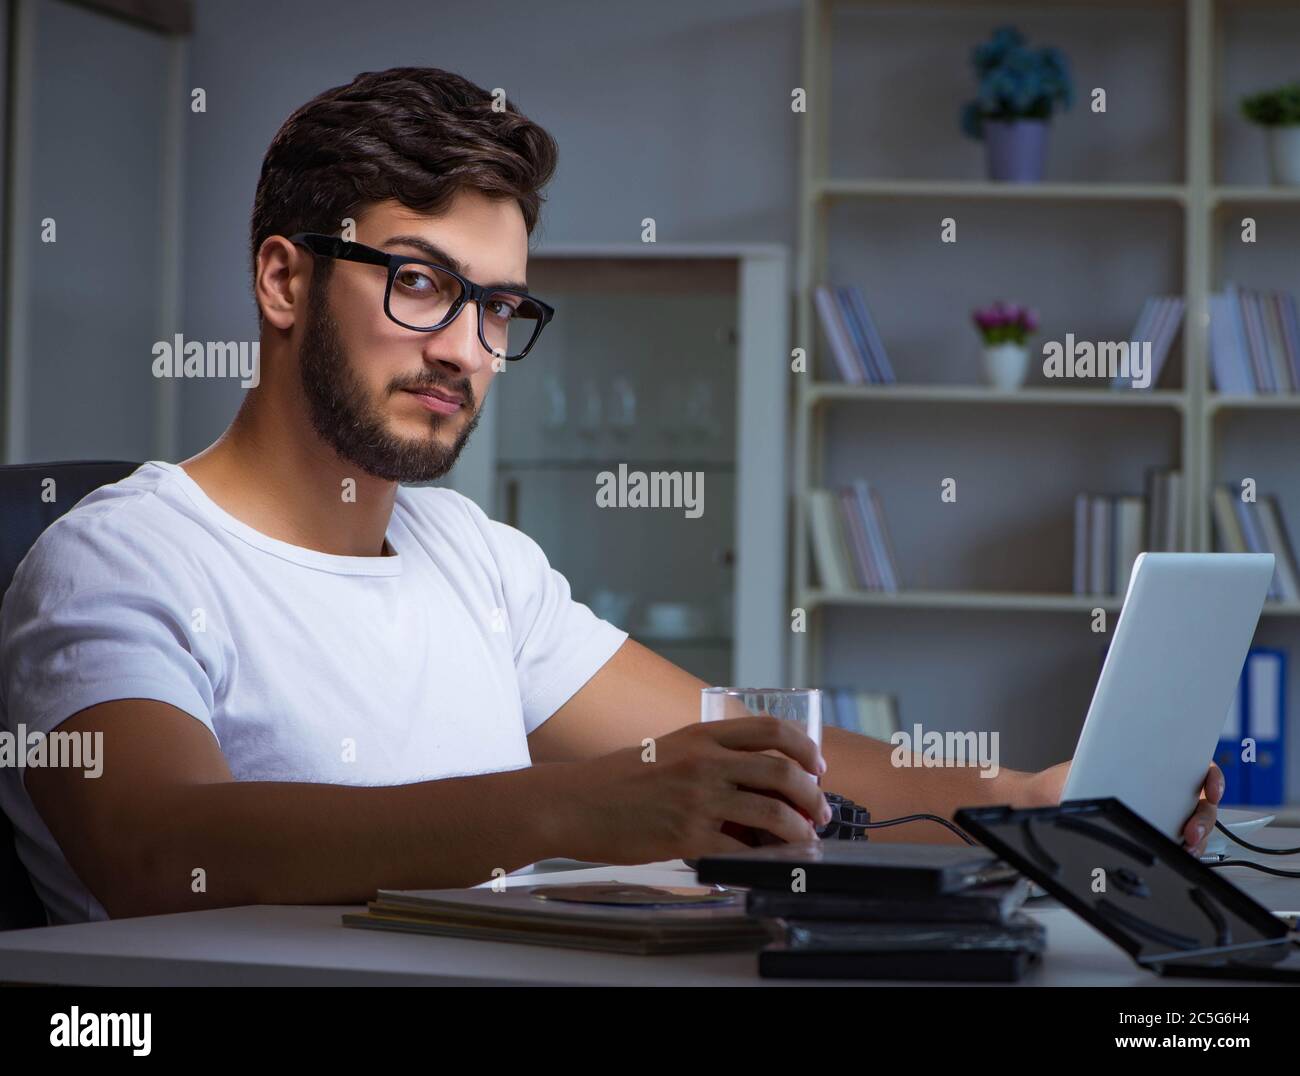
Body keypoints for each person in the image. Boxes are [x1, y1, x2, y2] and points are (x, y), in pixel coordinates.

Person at [0, 67, 1221, 924]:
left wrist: (1028, 800)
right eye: (420, 282)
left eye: (498, 306)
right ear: (282, 277)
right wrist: (571, 807)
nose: (467, 348)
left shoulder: (470, 555)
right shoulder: (120, 558)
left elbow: (740, 745)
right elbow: (165, 848)